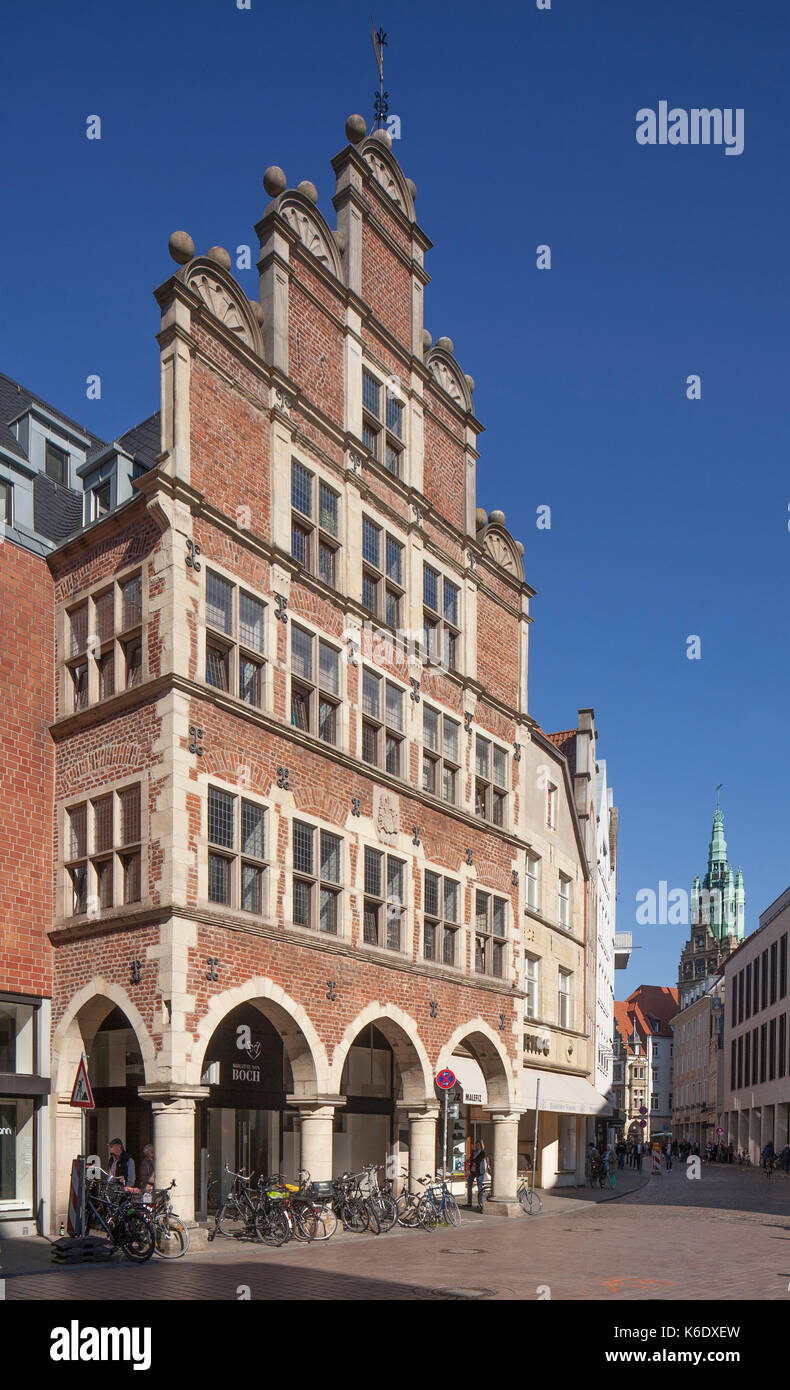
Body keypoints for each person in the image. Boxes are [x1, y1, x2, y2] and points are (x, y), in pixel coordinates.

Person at [466, 1140, 487, 1212]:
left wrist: (472, 1160)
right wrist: (472, 1160)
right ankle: (469, 1202)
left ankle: (480, 1203)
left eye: (478, 1145)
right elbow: (471, 1159)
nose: (477, 1146)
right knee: (469, 1186)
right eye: (476, 1144)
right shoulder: (474, 1152)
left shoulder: (482, 1152)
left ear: (481, 1145)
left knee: (479, 1188)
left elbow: (478, 1160)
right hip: (472, 1171)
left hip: (479, 1172)